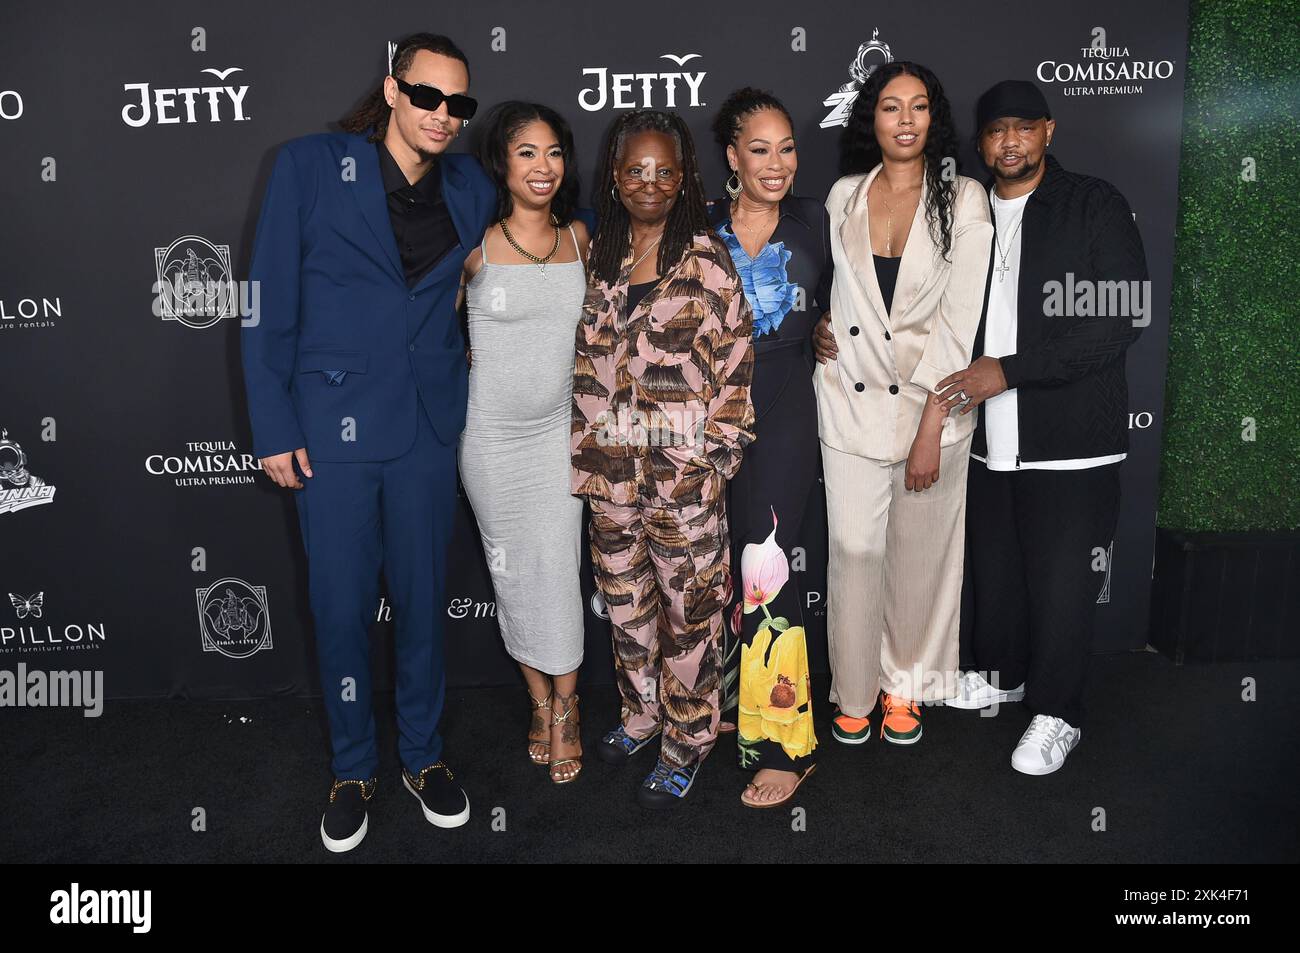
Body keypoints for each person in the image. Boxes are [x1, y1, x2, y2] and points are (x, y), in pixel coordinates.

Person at [241, 32, 495, 851]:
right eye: (427, 96)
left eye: (459, 104)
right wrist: (273, 425)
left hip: (426, 427)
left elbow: (545, 225)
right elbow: (267, 301)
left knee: (424, 601)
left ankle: (423, 757)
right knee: (340, 607)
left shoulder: (472, 186)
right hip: (332, 432)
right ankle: (353, 765)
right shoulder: (309, 167)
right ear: (392, 91)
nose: (443, 116)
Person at [935, 80, 1147, 775]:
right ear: (981, 141)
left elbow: (1119, 319)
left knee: (1062, 583)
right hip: (989, 438)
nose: (1010, 143)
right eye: (997, 131)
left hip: (1071, 441)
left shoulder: (1093, 203)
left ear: (1048, 132)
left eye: (1024, 128)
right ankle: (1001, 676)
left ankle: (1058, 713)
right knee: (996, 573)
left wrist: (1012, 369)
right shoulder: (965, 208)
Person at [572, 108, 755, 808]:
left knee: (691, 613)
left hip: (682, 483)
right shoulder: (599, 254)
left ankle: (688, 736)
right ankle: (641, 714)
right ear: (615, 179)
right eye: (635, 171)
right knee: (626, 606)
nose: (650, 183)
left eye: (664, 172)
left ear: (684, 180)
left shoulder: (708, 260)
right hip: (611, 475)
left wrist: (714, 458)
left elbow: (738, 366)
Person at [811, 61, 992, 745]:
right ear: (873, 119)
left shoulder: (963, 198)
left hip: (932, 411)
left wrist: (931, 422)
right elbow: (838, 294)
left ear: (934, 118)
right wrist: (818, 327)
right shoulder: (842, 196)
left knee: (919, 560)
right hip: (850, 405)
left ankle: (904, 687)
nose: (906, 120)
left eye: (919, 107)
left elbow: (959, 322)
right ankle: (852, 691)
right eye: (891, 107)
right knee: (854, 553)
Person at [706, 88, 832, 808]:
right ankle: (723, 707)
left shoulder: (817, 218)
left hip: (785, 405)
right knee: (708, 564)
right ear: (732, 155)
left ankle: (787, 743)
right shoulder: (699, 227)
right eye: (760, 149)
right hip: (706, 413)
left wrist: (827, 331)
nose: (777, 163)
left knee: (769, 565)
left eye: (787, 147)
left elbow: (853, 302)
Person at [458, 101, 590, 784]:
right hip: (491, 441)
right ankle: (540, 703)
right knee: (512, 575)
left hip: (559, 437)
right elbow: (424, 336)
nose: (543, 167)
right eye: (527, 153)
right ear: (502, 165)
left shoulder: (579, 239)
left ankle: (568, 709)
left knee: (559, 570)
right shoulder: (473, 250)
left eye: (554, 153)